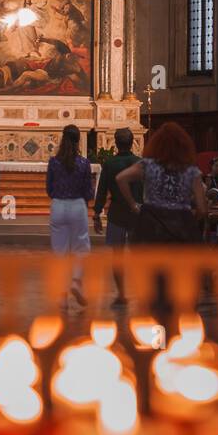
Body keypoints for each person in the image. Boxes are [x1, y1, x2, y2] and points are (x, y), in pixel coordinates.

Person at [116, 121, 206, 242]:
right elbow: (201, 208)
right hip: (181, 224)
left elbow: (121, 178)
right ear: (183, 146)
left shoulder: (148, 165)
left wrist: (133, 204)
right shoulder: (191, 171)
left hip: (151, 223)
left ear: (157, 144)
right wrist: (191, 218)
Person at [46, 125, 94, 307]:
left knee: (59, 251)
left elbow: (49, 189)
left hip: (58, 205)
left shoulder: (54, 162)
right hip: (77, 205)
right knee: (81, 248)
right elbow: (88, 192)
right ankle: (75, 281)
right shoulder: (83, 163)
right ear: (78, 140)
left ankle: (61, 296)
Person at [93, 128, 141, 305]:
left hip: (117, 212)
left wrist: (97, 213)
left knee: (117, 255)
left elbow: (102, 191)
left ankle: (121, 293)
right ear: (132, 142)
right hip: (137, 213)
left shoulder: (110, 164)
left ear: (115, 142)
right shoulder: (140, 162)